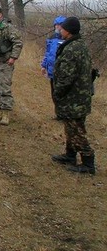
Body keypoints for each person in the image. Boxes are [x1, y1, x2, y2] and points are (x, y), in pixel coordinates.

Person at [51, 16, 96, 175]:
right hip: (80, 95)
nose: (59, 30)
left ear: (68, 31)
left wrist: (57, 93)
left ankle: (88, 162)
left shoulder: (72, 49)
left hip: (74, 97)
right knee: (70, 127)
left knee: (76, 130)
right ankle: (70, 155)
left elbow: (66, 76)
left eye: (62, 28)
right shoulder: (79, 44)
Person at [41, 15, 66, 116]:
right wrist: (44, 65)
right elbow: (48, 53)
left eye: (60, 25)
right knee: (54, 92)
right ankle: (58, 113)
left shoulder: (67, 39)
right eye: (56, 25)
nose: (57, 27)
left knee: (62, 92)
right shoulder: (51, 38)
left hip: (62, 71)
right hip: (51, 71)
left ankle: (64, 113)